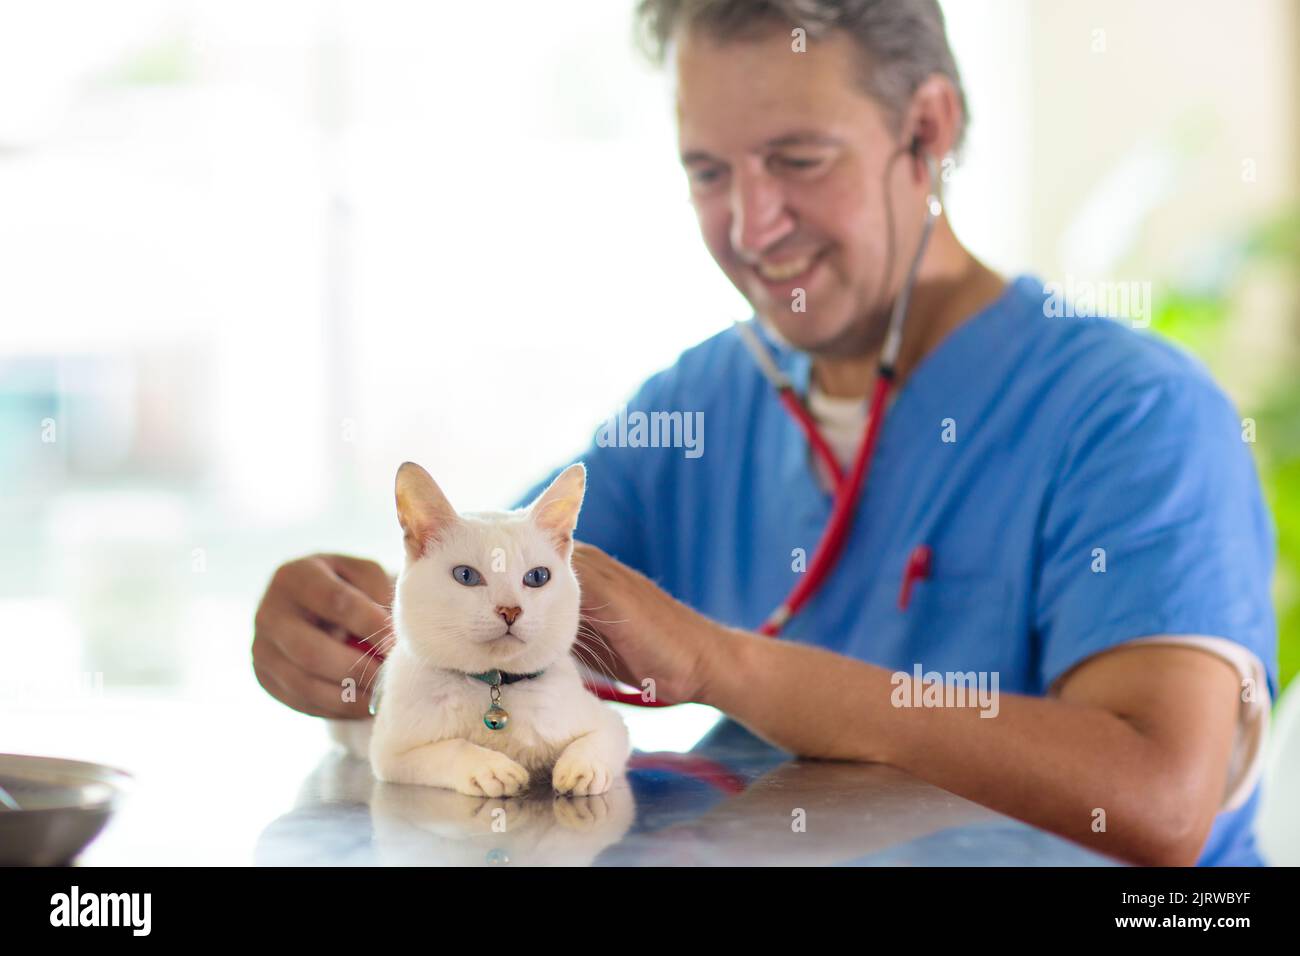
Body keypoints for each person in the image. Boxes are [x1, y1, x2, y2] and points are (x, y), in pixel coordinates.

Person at [251, 0, 1277, 866]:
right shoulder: (703, 403)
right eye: (708, 172)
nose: (750, 224)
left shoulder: (1132, 412)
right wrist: (355, 631)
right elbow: (500, 604)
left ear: (928, 128)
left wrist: (720, 663)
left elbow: (1160, 798)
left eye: (796, 158)